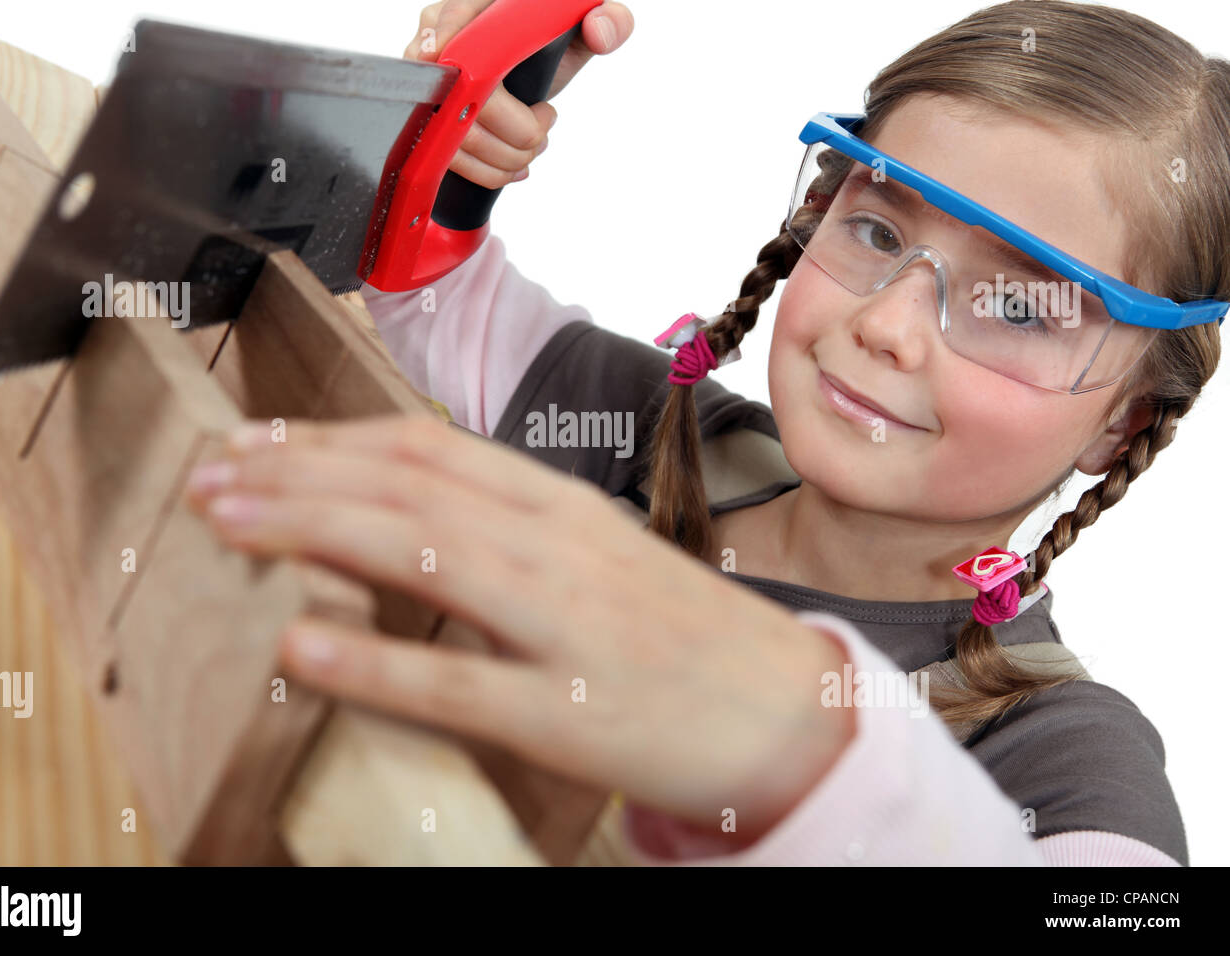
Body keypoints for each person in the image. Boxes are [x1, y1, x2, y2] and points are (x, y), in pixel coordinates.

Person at [184, 0, 1226, 865]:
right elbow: (422, 293)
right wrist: (461, 125)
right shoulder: (649, 431)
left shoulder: (1064, 754)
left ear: (1126, 417)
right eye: (876, 230)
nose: (886, 325)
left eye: (1015, 306)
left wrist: (807, 760)